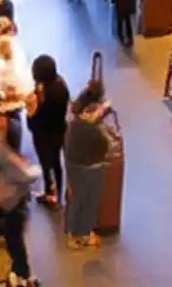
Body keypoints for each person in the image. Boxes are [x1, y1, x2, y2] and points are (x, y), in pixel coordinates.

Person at [0, 107, 39, 286]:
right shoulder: (6, 152)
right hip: (12, 199)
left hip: (7, 198)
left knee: (13, 237)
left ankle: (21, 272)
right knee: (14, 237)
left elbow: (26, 173)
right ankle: (21, 272)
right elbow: (29, 174)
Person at [64, 83, 110, 249]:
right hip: (90, 167)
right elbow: (105, 146)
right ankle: (83, 233)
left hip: (72, 163)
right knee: (90, 200)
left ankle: (70, 232)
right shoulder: (91, 130)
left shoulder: (74, 119)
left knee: (76, 198)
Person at [26, 55, 69, 207]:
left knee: (47, 164)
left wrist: (30, 114)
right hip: (59, 131)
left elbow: (37, 122)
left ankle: (50, 192)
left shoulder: (49, 96)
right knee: (57, 163)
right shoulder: (60, 85)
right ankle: (58, 190)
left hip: (46, 136)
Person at [0, 35, 32, 101]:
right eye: (9, 47)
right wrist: (5, 95)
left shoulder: (14, 63)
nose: (12, 50)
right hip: (1, 100)